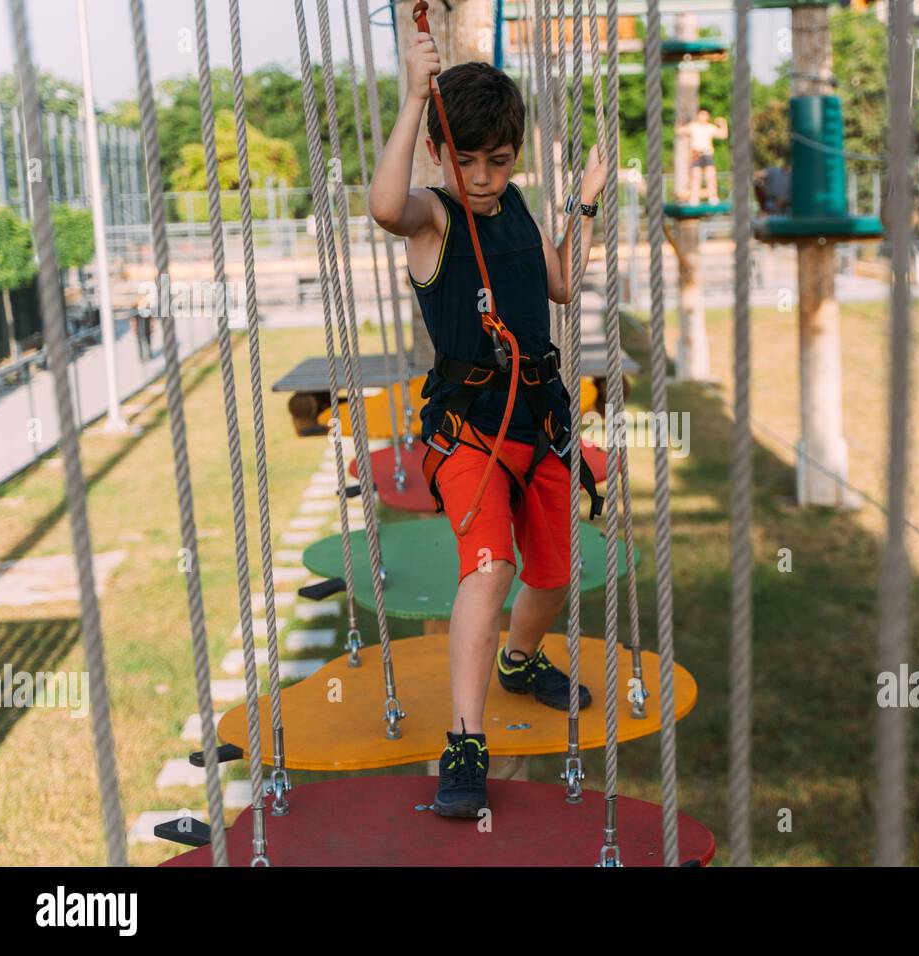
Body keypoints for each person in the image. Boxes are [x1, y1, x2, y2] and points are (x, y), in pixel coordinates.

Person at [368, 28, 606, 819]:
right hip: (469, 430)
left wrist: (584, 203)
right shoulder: (433, 218)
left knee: (554, 575)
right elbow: (383, 207)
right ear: (439, 153)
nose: (480, 177)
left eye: (497, 161)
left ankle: (518, 659)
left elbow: (561, 282)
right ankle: (466, 741)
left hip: (538, 422)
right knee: (490, 568)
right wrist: (415, 98)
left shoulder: (518, 211)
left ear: (515, 156)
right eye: (464, 160)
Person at [677, 109, 728, 205]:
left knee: (710, 175)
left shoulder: (710, 127)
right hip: (696, 153)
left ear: (708, 117)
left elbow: (723, 135)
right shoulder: (693, 126)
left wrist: (723, 123)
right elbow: (679, 131)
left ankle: (713, 197)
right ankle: (694, 197)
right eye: (701, 115)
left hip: (707, 153)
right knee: (696, 175)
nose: (703, 117)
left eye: (705, 115)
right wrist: (680, 121)